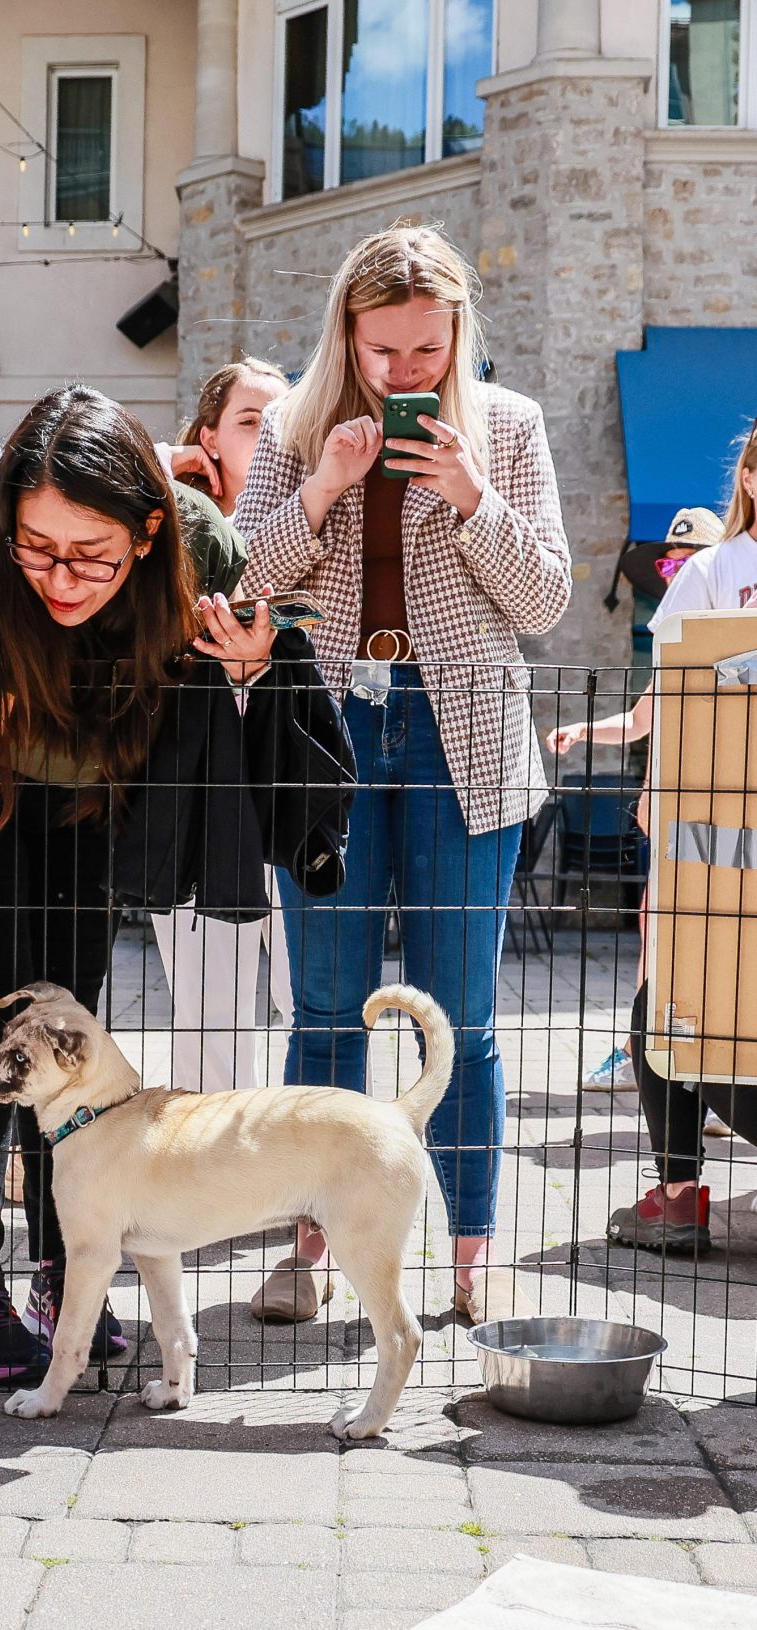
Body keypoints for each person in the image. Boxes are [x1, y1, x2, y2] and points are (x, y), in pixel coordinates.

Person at [0, 386, 271, 1384]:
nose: (55, 577)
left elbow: (272, 638)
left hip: (91, 794)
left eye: (87, 554)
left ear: (145, 530)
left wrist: (253, 659)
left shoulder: (195, 538)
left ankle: (64, 1274)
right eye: (33, 546)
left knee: (68, 1035)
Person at [232, 224, 570, 1325]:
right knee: (325, 1008)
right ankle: (310, 1245)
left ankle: (467, 1254)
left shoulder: (507, 428)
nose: (402, 374)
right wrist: (322, 485)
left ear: (455, 334)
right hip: (325, 732)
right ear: (346, 332)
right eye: (380, 351)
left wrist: (473, 497)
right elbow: (244, 586)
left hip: (459, 731)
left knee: (459, 1012)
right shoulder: (293, 426)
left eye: (424, 351)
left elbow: (543, 605)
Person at [564, 424, 757, 1251]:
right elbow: (669, 698)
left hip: (718, 830)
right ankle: (676, 1193)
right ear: (749, 475)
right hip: (719, 832)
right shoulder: (714, 570)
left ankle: (678, 1195)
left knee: (684, 1008)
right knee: (676, 1003)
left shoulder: (717, 571)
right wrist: (657, 784)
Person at [149, 358, 295, 1094]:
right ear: (208, 436)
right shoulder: (168, 530)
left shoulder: (312, 525)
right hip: (200, 794)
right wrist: (159, 465)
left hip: (288, 793)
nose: (268, 435)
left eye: (279, 422)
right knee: (212, 1020)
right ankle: (210, 1197)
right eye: (248, 421)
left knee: (309, 1002)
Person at [546, 505, 724, 1092]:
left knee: (711, 942)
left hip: (716, 817)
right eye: (671, 561)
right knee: (658, 932)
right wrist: (582, 729)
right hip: (672, 823)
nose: (676, 572)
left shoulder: (731, 649)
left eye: (689, 560)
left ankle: (705, 1074)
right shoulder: (673, 652)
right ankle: (645, 1056)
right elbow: (641, 721)